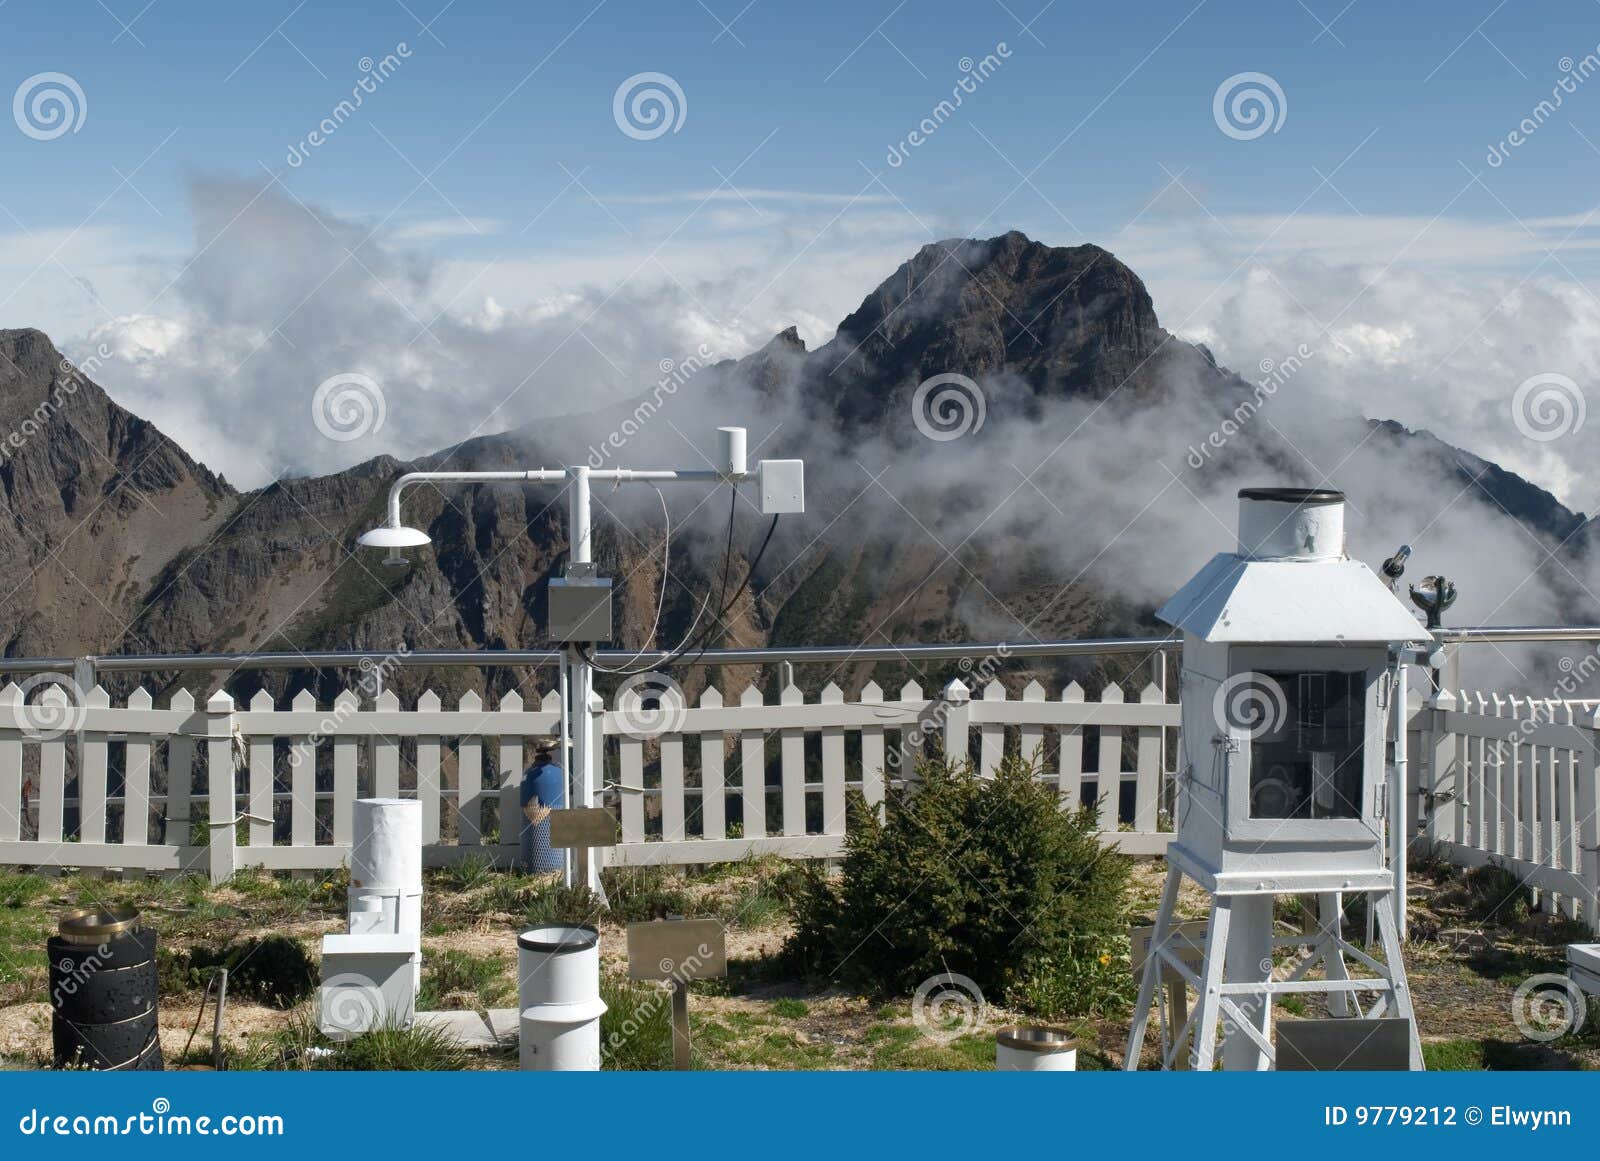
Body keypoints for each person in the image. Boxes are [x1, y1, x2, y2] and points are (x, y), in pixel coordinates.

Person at [519, 743, 566, 874]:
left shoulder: (528, 774)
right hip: (536, 813)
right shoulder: (555, 773)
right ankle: (546, 865)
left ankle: (549, 865)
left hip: (549, 811)